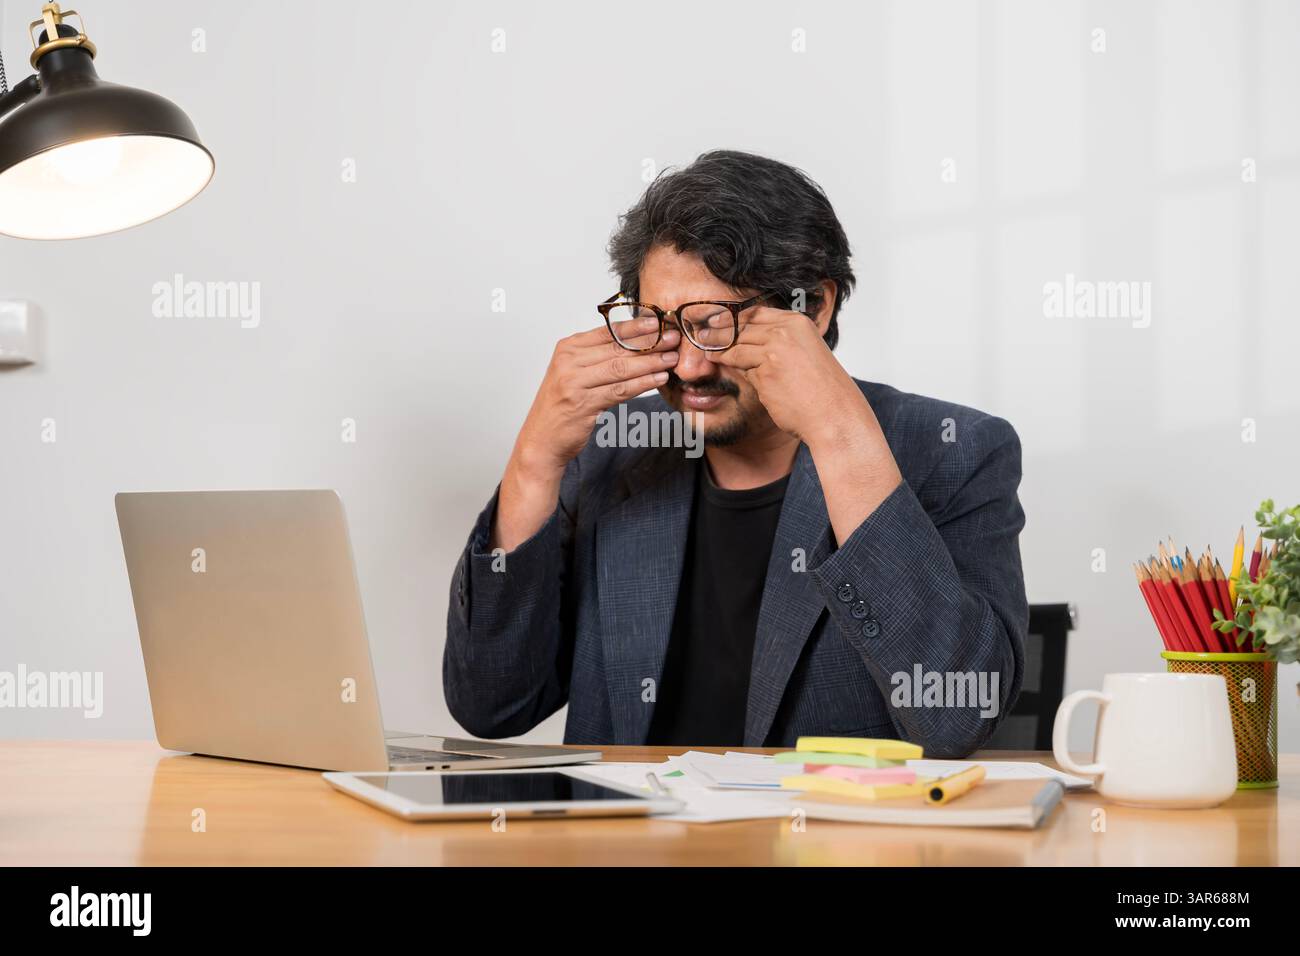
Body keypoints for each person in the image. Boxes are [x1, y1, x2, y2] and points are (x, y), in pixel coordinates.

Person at [445, 150, 1027, 755]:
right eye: (662, 324)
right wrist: (535, 462)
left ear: (814, 306)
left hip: (825, 845)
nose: (690, 367)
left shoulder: (956, 452)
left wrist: (840, 436)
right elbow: (493, 705)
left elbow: (957, 714)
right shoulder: (609, 453)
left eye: (716, 322)